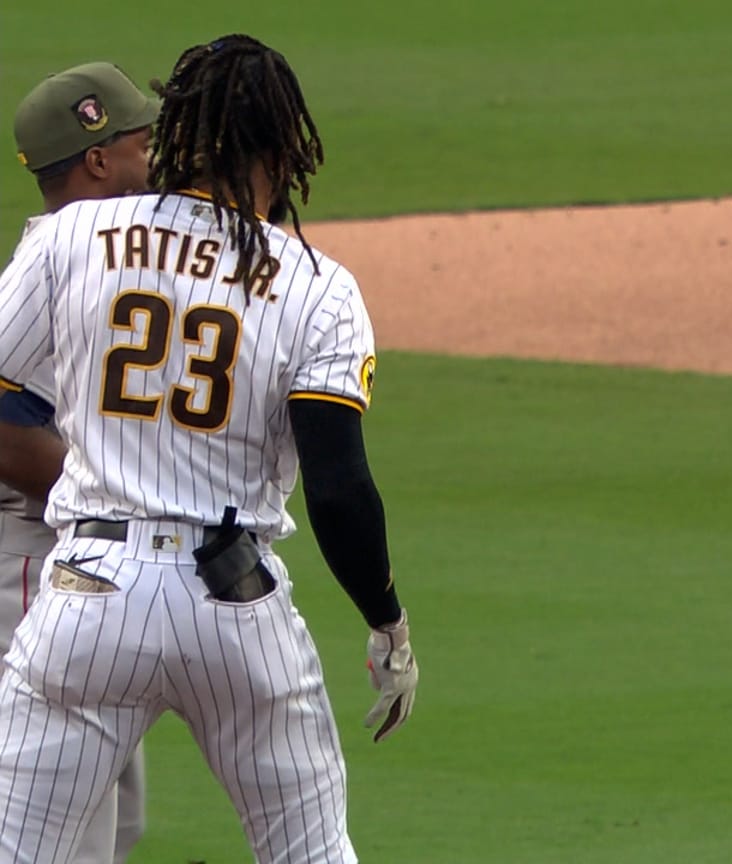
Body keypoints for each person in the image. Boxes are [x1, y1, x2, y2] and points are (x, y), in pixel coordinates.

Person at [0, 34, 419, 863]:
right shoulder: (316, 285)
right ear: (284, 146)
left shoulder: (73, 235)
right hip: (235, 605)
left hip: (88, 598)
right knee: (313, 853)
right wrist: (388, 623)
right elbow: (338, 489)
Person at [0, 59, 160, 864]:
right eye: (142, 142)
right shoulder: (51, 271)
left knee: (113, 823)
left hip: (94, 575)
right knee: (58, 834)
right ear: (97, 159)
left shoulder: (109, 261)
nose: (156, 158)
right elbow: (2, 425)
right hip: (31, 566)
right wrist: (133, 499)